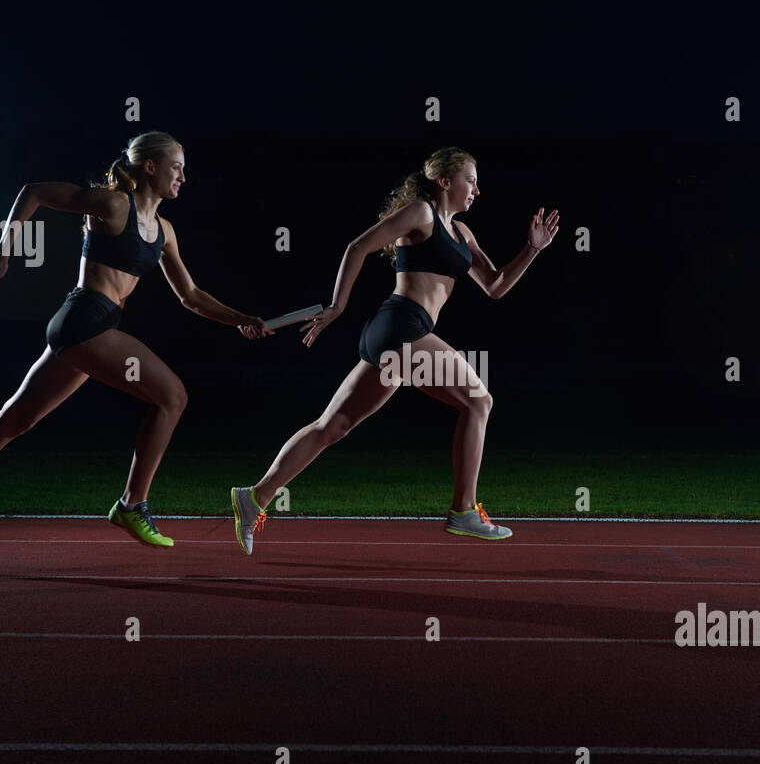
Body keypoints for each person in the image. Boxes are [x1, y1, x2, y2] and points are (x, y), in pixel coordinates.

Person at [0, 131, 271, 555]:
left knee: (14, 421)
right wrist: (2, 251)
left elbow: (191, 297)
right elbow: (35, 193)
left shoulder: (165, 232)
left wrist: (241, 320)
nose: (183, 177)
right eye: (176, 167)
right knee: (171, 397)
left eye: (185, 169)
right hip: (84, 321)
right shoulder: (114, 205)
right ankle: (132, 505)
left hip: (88, 329)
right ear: (150, 167)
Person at [230, 147, 559, 554]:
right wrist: (336, 306)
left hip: (397, 335)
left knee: (332, 427)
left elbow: (495, 286)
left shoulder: (462, 233)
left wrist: (532, 249)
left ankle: (254, 497)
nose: (477, 188)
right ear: (445, 181)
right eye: (470, 179)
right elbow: (358, 247)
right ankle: (463, 511)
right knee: (478, 400)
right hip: (401, 326)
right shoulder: (421, 213)